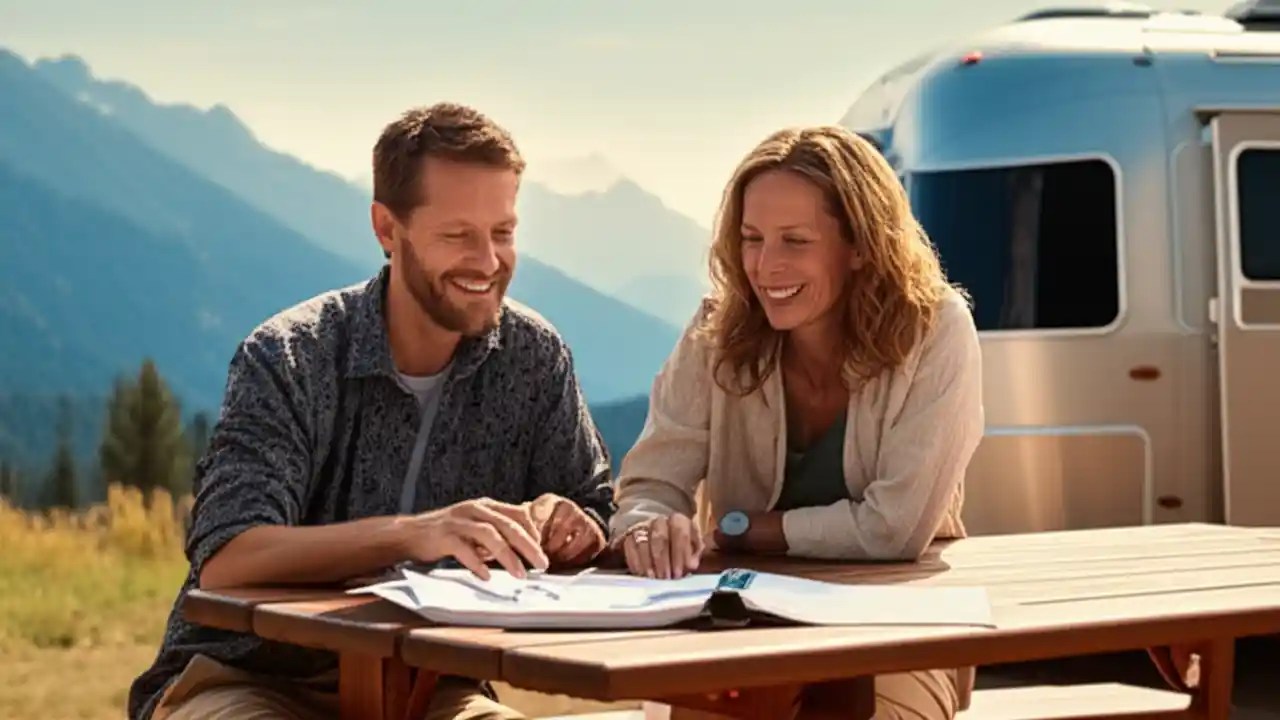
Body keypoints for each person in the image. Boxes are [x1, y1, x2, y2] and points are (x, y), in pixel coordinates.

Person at [128, 102, 615, 720]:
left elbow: (594, 507)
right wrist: (416, 532)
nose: (489, 261)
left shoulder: (533, 357)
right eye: (458, 235)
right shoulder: (289, 356)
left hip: (431, 689)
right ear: (387, 229)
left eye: (503, 233)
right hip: (241, 678)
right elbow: (228, 559)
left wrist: (573, 525)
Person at [608, 125, 984, 719]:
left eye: (795, 241)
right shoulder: (716, 332)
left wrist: (749, 530)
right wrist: (649, 527)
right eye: (752, 239)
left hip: (899, 617)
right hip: (737, 616)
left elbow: (895, 529)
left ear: (860, 246)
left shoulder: (935, 329)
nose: (765, 266)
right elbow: (650, 484)